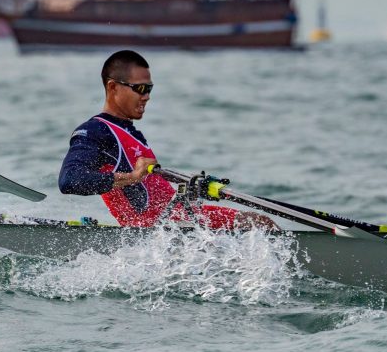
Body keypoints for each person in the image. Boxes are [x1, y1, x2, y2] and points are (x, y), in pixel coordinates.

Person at [58, 49, 279, 230]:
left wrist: (191, 191)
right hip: (160, 230)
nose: (147, 96)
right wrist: (133, 177)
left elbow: (157, 194)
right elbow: (69, 180)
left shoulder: (133, 134)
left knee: (262, 223)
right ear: (113, 87)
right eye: (140, 88)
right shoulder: (97, 130)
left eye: (150, 89)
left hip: (179, 218)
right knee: (259, 225)